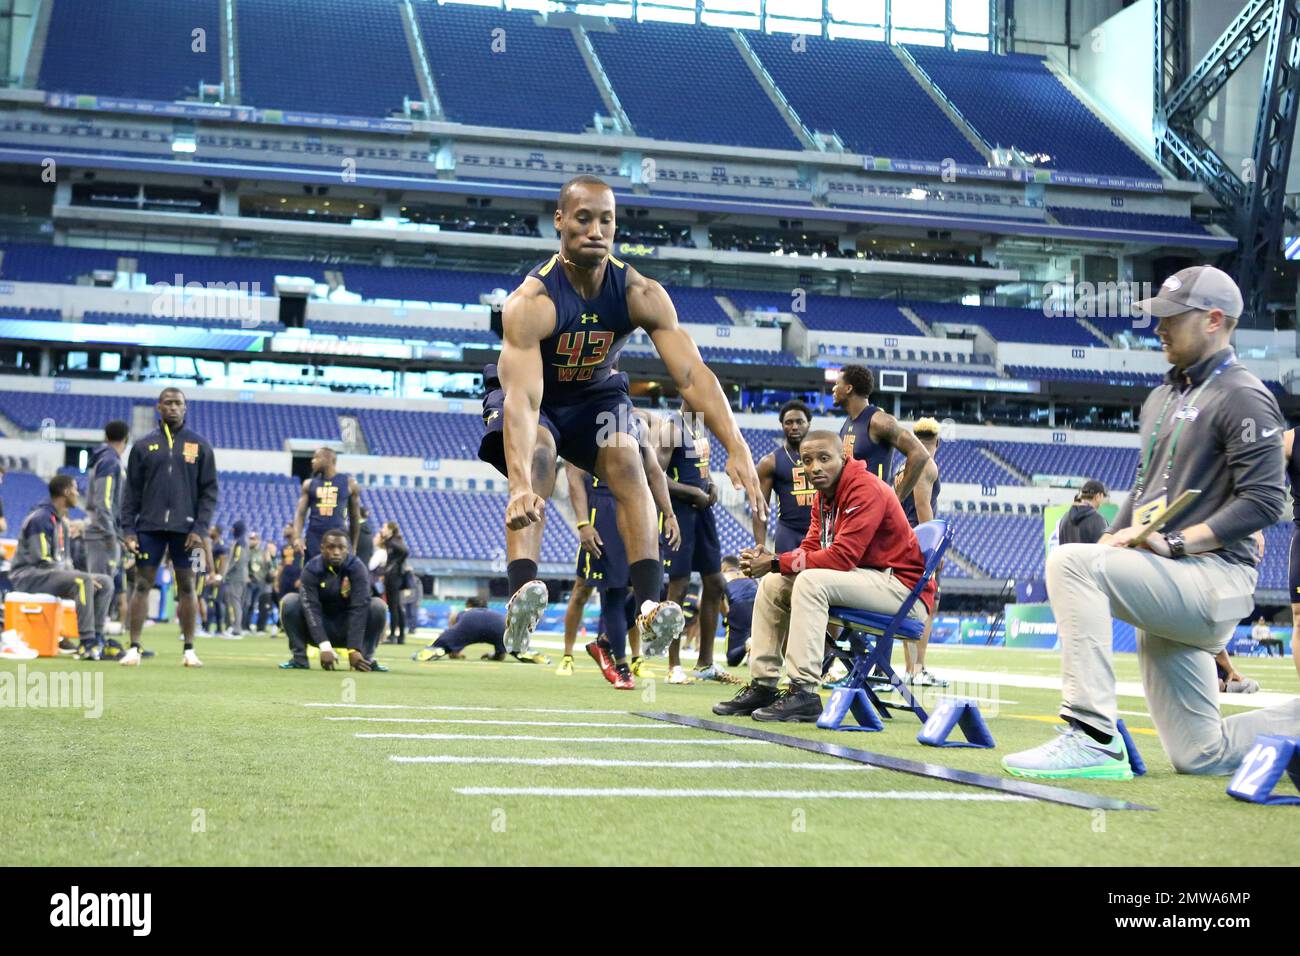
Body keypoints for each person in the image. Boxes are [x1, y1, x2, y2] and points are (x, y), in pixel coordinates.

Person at [1003, 266, 1300, 779]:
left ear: (1213, 320)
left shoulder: (1244, 394)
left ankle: (1091, 737)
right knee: (1199, 755)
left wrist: (1178, 543)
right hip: (1174, 582)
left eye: (1171, 317)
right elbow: (1144, 490)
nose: (1158, 327)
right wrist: (1114, 540)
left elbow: (1265, 501)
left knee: (1071, 563)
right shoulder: (1161, 398)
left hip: (1215, 578)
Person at [482, 175, 764, 662]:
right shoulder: (532, 303)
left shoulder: (640, 292)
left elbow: (693, 375)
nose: (596, 229)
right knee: (542, 451)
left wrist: (736, 443)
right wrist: (519, 485)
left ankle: (652, 606)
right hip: (540, 400)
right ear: (560, 221)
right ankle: (522, 592)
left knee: (627, 458)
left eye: (606, 220)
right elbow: (525, 404)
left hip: (597, 397)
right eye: (583, 218)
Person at [713, 430, 935, 722]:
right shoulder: (824, 496)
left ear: (843, 458)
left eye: (824, 458)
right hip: (870, 578)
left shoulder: (865, 489)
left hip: (903, 591)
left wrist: (777, 560)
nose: (814, 467)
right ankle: (763, 685)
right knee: (772, 583)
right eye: (807, 461)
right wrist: (771, 563)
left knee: (809, 580)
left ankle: (803, 692)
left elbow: (843, 557)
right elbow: (810, 547)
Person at [120, 387, 218, 668]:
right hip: (148, 527)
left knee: (187, 586)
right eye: (168, 403)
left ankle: (189, 649)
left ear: (185, 408)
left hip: (186, 530)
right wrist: (128, 530)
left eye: (178, 403)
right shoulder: (142, 446)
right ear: (158, 407)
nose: (173, 407)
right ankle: (134, 648)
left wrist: (199, 528)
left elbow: (209, 491)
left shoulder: (199, 445)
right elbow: (131, 493)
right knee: (141, 585)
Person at [654, 399, 732, 684]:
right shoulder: (671, 428)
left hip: (702, 512)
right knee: (679, 586)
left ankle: (705, 664)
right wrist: (691, 492)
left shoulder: (700, 425)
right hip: (679, 513)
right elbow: (656, 476)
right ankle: (673, 666)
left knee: (715, 583)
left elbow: (700, 468)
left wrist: (710, 484)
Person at [9, 475, 114, 659]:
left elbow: (65, 562)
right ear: (66, 492)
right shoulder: (40, 519)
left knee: (105, 582)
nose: (77, 493)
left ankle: (98, 639)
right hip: (28, 575)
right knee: (83, 580)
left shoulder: (60, 522)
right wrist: (78, 575)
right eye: (74, 489)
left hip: (48, 575)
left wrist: (76, 574)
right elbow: (40, 558)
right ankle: (86, 643)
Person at [278, 529, 387, 671]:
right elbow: (311, 608)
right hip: (318, 629)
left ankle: (365, 659)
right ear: (322, 548)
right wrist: (324, 646)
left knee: (378, 606)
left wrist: (354, 648)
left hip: (348, 628)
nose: (336, 552)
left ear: (347, 549)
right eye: (331, 547)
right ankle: (299, 658)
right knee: (290, 602)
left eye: (341, 548)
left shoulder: (357, 568)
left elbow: (360, 607)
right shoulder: (311, 569)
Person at [893, 417, 946, 687]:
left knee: (910, 606)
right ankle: (917, 669)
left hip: (900, 541)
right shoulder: (927, 463)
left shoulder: (901, 466)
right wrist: (935, 550)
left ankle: (911, 669)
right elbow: (923, 505)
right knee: (925, 606)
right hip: (919, 543)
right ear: (937, 442)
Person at [833, 364, 930, 499]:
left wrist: (896, 498)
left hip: (873, 509)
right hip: (851, 508)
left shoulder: (879, 420)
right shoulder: (848, 422)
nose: (833, 389)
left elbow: (920, 454)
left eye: (837, 384)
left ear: (849, 388)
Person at [82, 421, 129, 645]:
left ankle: (96, 635)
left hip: (100, 531)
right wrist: (111, 534)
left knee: (103, 585)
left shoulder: (103, 458)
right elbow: (104, 502)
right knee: (102, 585)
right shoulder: (110, 461)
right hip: (102, 533)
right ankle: (94, 638)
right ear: (126, 439)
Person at [752, 399, 813, 553]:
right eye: (789, 422)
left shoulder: (824, 457)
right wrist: (760, 546)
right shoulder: (769, 462)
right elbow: (760, 509)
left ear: (809, 424)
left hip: (819, 531)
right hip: (788, 534)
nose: (794, 427)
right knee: (786, 577)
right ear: (782, 425)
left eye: (800, 422)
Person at [414, 597, 549, 663]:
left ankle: (436, 648)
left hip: (469, 623)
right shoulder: (494, 613)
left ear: (469, 605)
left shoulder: (464, 611)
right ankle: (526, 652)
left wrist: (453, 651)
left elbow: (454, 632)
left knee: (443, 642)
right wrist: (493, 656)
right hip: (498, 624)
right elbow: (500, 656)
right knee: (514, 646)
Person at [292, 447, 361, 560]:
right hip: (314, 539)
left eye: (316, 457)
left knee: (336, 575)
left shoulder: (349, 483)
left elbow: (354, 517)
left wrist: (353, 546)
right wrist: (297, 538)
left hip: (339, 538)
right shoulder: (309, 484)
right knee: (313, 575)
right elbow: (300, 514)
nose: (312, 461)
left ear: (328, 459)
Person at [720, 555, 757, 668]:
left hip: (739, 606)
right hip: (757, 604)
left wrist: (727, 616)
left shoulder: (722, 577)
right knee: (754, 632)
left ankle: (748, 645)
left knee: (732, 660)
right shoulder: (749, 575)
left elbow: (720, 601)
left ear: (724, 566)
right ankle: (753, 649)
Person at [379, 521, 409, 644]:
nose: (382, 529)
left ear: (390, 530)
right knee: (396, 606)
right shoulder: (393, 541)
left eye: (384, 528)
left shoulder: (393, 542)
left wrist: (394, 564)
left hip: (393, 577)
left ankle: (393, 635)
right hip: (395, 576)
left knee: (394, 606)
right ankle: (400, 636)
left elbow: (405, 551)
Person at [1058, 479, 1109, 546]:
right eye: (1103, 497)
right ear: (1098, 496)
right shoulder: (1098, 520)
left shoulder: (1064, 518)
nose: (1102, 502)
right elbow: (1103, 550)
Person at [222, 520, 250, 638]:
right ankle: (235, 627)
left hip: (236, 577)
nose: (231, 530)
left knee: (235, 602)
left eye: (234, 528)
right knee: (236, 602)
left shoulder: (240, 542)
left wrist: (225, 573)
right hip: (241, 576)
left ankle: (237, 630)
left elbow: (236, 560)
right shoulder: (244, 541)